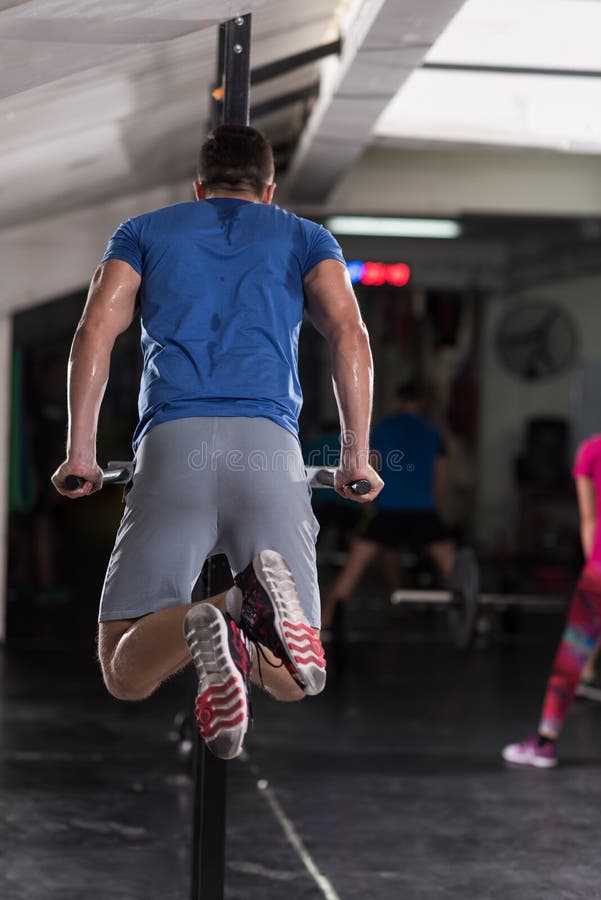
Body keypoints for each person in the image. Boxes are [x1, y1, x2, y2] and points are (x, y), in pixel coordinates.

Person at [51, 124, 383, 760]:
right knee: (293, 679)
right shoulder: (305, 236)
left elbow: (96, 328)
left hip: (174, 450)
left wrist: (82, 452)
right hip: (272, 455)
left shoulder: (144, 231)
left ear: (199, 188)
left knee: (123, 669)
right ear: (270, 188)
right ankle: (246, 604)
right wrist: (355, 455)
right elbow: (350, 336)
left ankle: (229, 603)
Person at [322, 381, 455, 629]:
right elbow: (440, 477)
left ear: (397, 402)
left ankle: (322, 625)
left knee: (353, 569)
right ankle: (479, 622)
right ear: (422, 404)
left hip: (386, 509)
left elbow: (371, 467)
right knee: (452, 568)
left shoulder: (384, 428)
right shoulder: (434, 432)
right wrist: (435, 509)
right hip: (423, 509)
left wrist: (366, 505)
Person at [502, 434, 601, 768]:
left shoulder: (592, 450)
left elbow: (590, 522)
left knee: (571, 661)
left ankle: (545, 743)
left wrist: (594, 569)